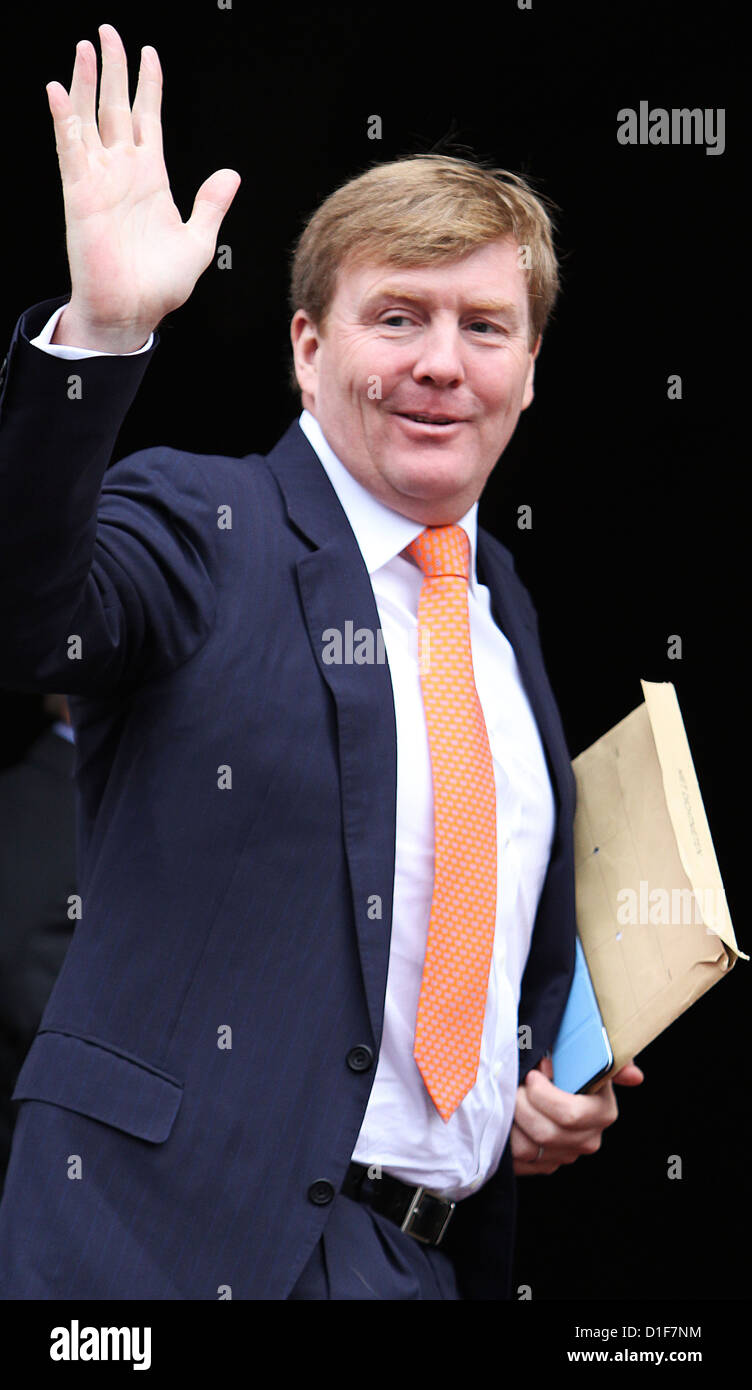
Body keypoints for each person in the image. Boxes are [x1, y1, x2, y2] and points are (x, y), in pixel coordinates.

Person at [0, 24, 643, 1300]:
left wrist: (529, 1093)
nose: (439, 363)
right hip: (157, 1252)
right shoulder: (202, 521)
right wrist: (99, 342)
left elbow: (438, 941)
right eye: (395, 315)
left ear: (527, 371)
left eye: (485, 326)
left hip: (418, 1260)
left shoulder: (501, 604)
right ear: (307, 350)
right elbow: (29, 620)